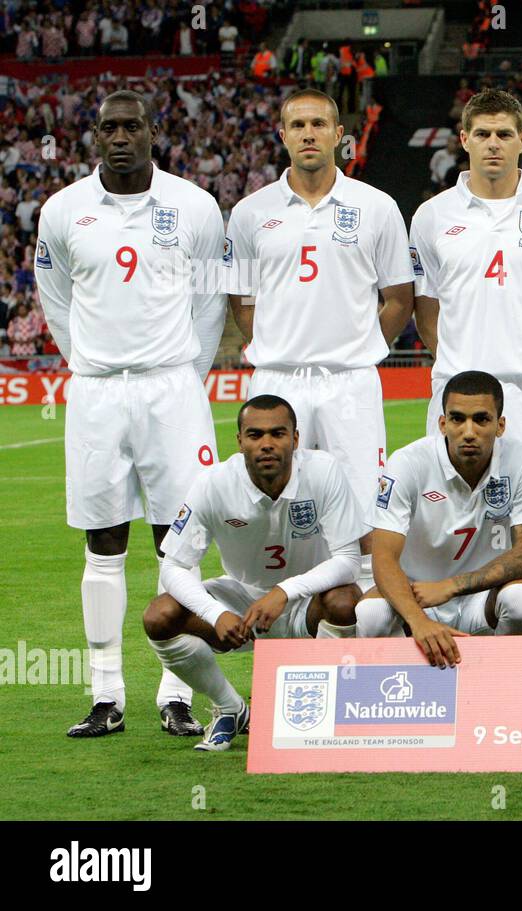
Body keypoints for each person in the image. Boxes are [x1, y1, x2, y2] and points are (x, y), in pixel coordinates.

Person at [35, 90, 226, 739]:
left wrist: (185, 377)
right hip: (97, 394)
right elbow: (56, 299)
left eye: (132, 127)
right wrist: (89, 365)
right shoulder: (63, 210)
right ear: (95, 136)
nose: (120, 137)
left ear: (153, 131)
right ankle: (106, 695)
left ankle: (178, 693)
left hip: (172, 391)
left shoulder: (194, 206)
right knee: (103, 541)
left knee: (180, 541)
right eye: (109, 128)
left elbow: (209, 302)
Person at [226, 88, 415, 595]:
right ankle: (270, 612)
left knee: (364, 508)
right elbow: (241, 301)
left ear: (338, 134)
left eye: (318, 124)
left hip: (349, 381)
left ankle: (364, 616)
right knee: (270, 506)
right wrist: (279, 345)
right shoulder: (249, 213)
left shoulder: (376, 207)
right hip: (277, 380)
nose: (308, 133)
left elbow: (399, 298)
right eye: (298, 125)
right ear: (282, 135)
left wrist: (358, 348)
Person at [409, 88, 522, 586]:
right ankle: (458, 613)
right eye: (483, 133)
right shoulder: (432, 216)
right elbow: (426, 309)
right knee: (451, 518)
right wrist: (461, 371)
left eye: (504, 134)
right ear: (464, 139)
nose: (494, 143)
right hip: (458, 393)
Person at [143, 396, 366, 752]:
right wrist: (215, 613)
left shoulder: (323, 472)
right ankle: (230, 709)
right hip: (242, 604)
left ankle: (316, 706)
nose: (266, 444)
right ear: (239, 441)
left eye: (278, 433)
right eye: (255, 434)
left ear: (296, 438)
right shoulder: (214, 483)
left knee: (346, 601)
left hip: (306, 603)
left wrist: (285, 591)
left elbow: (348, 559)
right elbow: (173, 565)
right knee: (160, 615)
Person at [357, 371, 522, 667]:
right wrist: (418, 621)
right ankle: (400, 687)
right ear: (443, 423)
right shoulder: (408, 462)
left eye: (481, 420)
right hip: (419, 596)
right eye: (458, 419)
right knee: (371, 614)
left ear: (500, 426)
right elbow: (383, 557)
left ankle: (507, 682)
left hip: (483, 599)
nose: (468, 431)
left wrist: (451, 585)